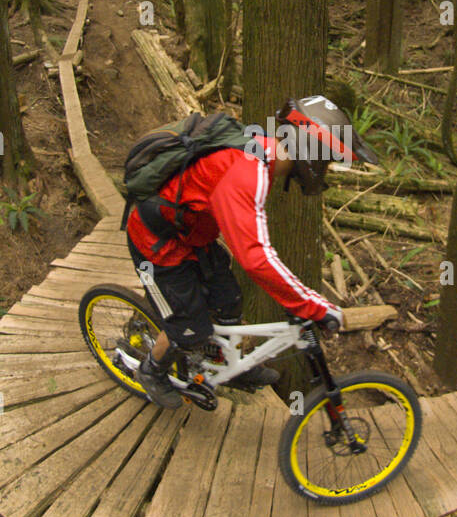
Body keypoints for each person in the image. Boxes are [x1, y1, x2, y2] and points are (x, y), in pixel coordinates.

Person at [126, 95, 379, 407]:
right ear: (308, 153)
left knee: (228, 298)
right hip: (158, 243)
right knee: (188, 325)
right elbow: (256, 258)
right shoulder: (247, 173)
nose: (324, 168)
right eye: (325, 159)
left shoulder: (262, 148)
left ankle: (226, 364)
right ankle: (151, 370)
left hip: (193, 235)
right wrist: (314, 306)